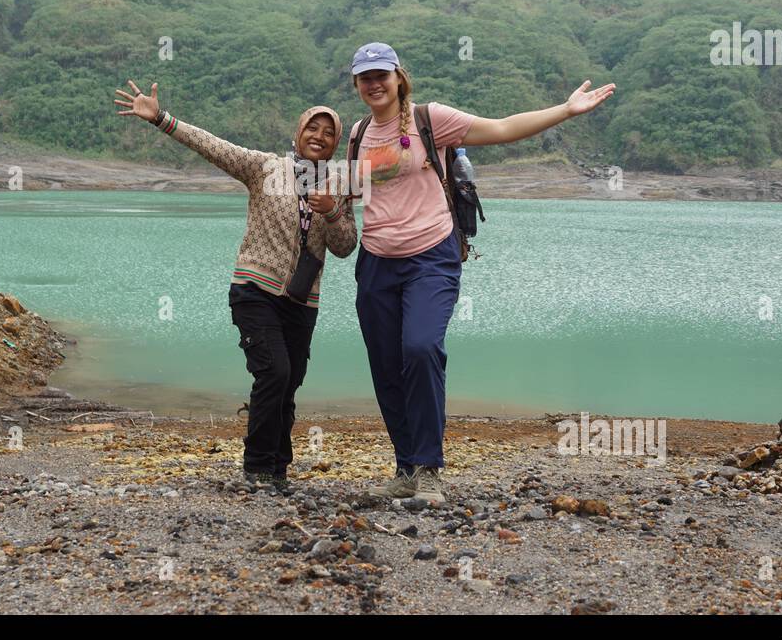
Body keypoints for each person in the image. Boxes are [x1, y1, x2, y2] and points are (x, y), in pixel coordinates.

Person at [344, 42, 615, 503]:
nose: (374, 84)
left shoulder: (431, 119)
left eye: (382, 75)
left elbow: (504, 129)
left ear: (398, 77)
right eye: (365, 77)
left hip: (431, 256)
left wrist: (566, 111)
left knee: (422, 347)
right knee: (386, 366)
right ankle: (405, 468)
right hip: (375, 262)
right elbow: (352, 192)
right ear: (356, 84)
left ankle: (429, 470)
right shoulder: (357, 134)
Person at [115, 81, 356, 488]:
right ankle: (258, 466)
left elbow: (346, 245)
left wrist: (332, 212)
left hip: (303, 300)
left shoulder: (338, 186)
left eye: (329, 132)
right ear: (298, 133)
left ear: (336, 143)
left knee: (290, 381)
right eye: (312, 129)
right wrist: (160, 118)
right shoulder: (264, 167)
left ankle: (278, 467)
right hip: (254, 290)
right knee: (274, 373)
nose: (319, 136)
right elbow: (213, 146)